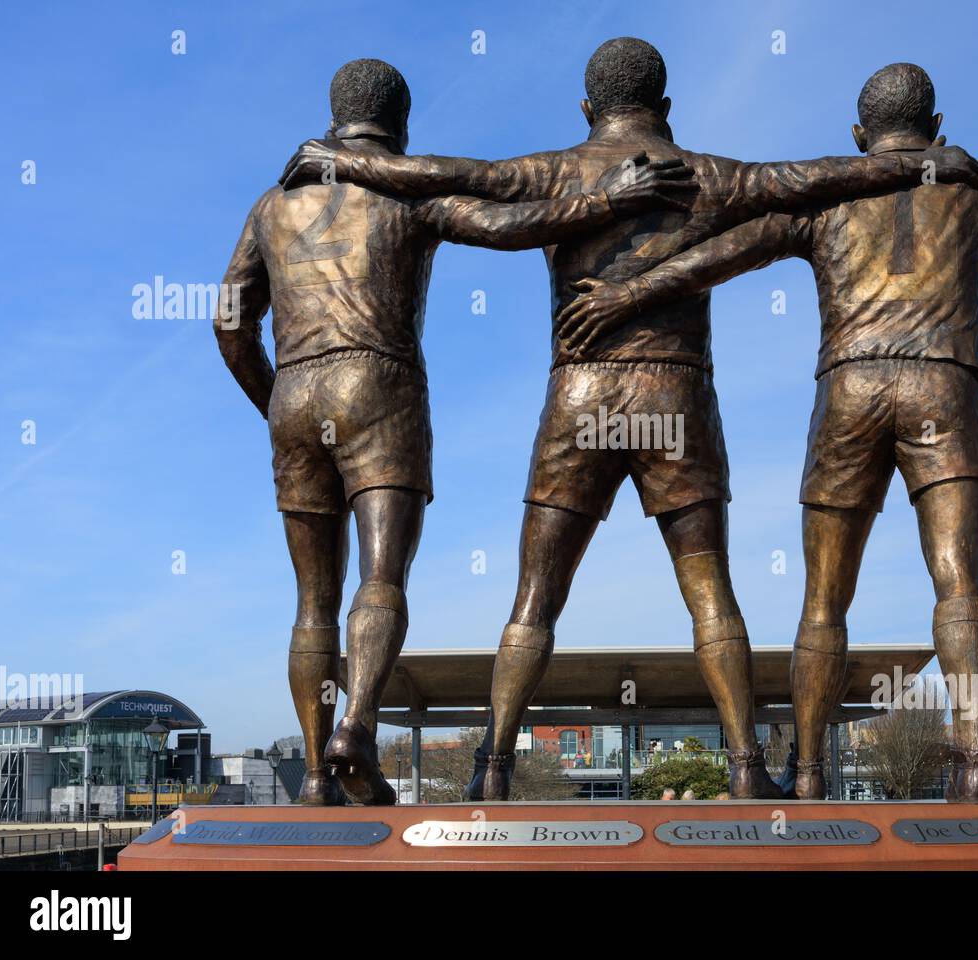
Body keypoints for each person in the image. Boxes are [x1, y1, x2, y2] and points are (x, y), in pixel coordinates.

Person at [280, 39, 978, 801]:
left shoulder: (554, 171)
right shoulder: (711, 176)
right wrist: (927, 163)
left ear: (587, 108)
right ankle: (749, 768)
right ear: (668, 107)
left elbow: (451, 176)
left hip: (579, 400)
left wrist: (339, 163)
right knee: (710, 590)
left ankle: (492, 769)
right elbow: (816, 179)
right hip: (675, 397)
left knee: (534, 597)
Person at [216, 58, 695, 805]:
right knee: (380, 576)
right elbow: (509, 227)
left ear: (336, 114)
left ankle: (314, 776)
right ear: (402, 121)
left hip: (298, 392)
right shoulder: (404, 192)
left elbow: (227, 319)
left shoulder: (271, 206)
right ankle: (361, 721)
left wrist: (273, 398)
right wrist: (607, 198)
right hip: (377, 386)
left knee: (311, 600)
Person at [555, 62, 978, 801]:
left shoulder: (829, 197)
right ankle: (976, 763)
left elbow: (721, 255)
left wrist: (628, 294)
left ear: (858, 135)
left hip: (849, 391)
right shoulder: (976, 187)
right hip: (947, 382)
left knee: (823, 599)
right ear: (934, 129)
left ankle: (808, 773)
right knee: (958, 579)